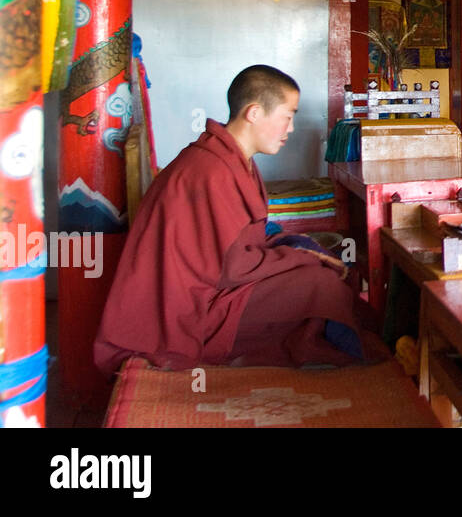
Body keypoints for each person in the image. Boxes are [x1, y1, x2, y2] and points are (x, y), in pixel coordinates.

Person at [94, 65, 379, 375]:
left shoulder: (228, 157)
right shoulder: (210, 170)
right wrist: (297, 257)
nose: (292, 128)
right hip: (193, 307)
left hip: (217, 282)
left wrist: (296, 251)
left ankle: (319, 341)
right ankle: (341, 358)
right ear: (254, 112)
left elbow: (243, 241)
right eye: (288, 115)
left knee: (318, 263)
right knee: (321, 283)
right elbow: (230, 268)